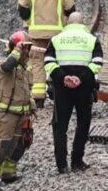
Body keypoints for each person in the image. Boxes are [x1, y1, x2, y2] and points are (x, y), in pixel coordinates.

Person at [43, 12, 103, 174]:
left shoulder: (56, 39)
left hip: (61, 89)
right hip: (84, 88)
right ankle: (77, 161)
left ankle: (61, 164)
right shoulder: (91, 40)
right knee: (83, 123)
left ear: (67, 23)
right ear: (82, 23)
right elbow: (97, 63)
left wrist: (63, 78)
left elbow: (48, 61)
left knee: (60, 125)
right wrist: (80, 79)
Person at [18, 0, 75, 107]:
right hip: (57, 35)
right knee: (58, 63)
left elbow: (22, 8)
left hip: (36, 34)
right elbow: (71, 10)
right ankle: (58, 94)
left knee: (37, 64)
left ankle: (39, 98)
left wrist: (30, 18)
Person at [0, 31, 33, 186]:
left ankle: (8, 174)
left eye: (27, 48)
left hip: (21, 113)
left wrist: (31, 104)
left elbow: (25, 88)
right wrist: (17, 50)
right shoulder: (3, 62)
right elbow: (7, 66)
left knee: (19, 145)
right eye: (24, 47)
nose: (27, 51)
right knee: (2, 145)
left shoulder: (24, 67)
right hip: (6, 113)